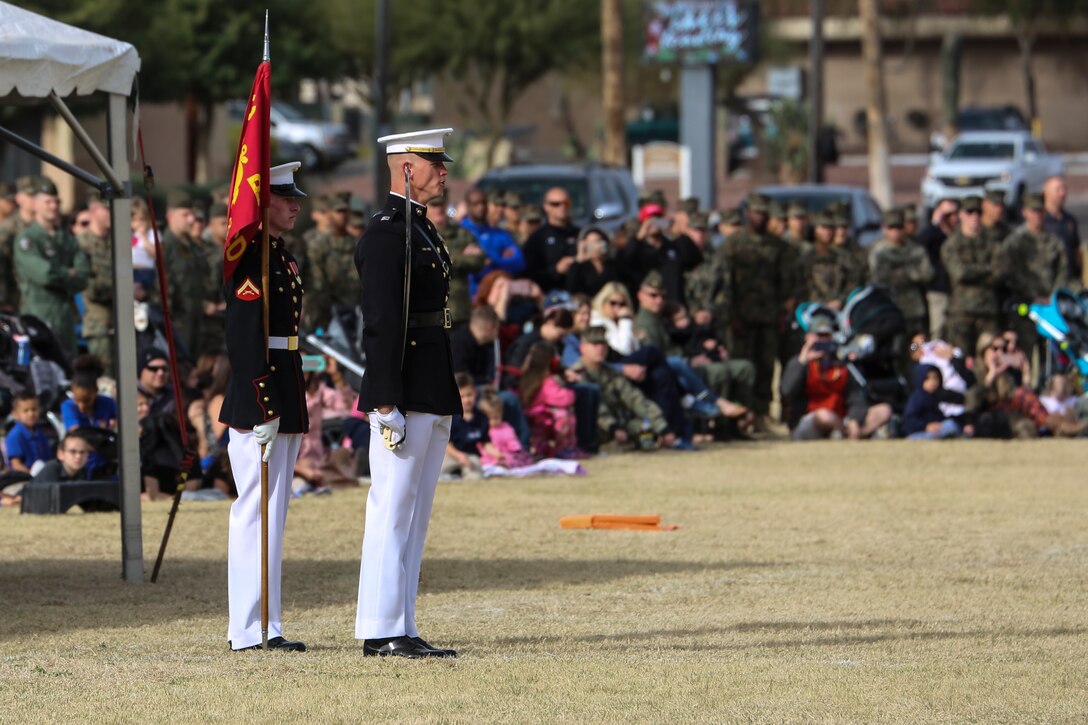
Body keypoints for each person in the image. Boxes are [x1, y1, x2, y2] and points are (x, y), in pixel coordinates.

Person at [353, 128, 462, 659]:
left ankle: (402, 622)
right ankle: (379, 628)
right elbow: (380, 322)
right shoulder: (385, 234)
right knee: (392, 508)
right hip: (403, 386)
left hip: (429, 379)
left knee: (414, 514)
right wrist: (383, 400)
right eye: (434, 163)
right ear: (405, 168)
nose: (444, 173)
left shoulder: (419, 230)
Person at [218, 161, 310, 653]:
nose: (295, 204)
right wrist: (263, 400)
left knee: (275, 510)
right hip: (262, 393)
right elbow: (243, 335)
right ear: (260, 201)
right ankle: (247, 627)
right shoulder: (249, 257)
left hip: (285, 384)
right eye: (283, 197)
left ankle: (268, 623)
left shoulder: (279, 253)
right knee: (254, 509)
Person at [714, 193, 791, 432]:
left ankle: (762, 414)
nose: (759, 217)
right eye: (755, 212)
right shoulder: (733, 244)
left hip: (768, 316)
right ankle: (740, 415)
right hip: (741, 317)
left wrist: (781, 313)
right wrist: (731, 315)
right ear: (748, 214)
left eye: (763, 213)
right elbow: (724, 284)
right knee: (742, 366)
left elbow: (784, 282)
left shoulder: (777, 246)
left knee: (766, 366)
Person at [780, 314, 892, 440]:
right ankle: (850, 433)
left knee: (884, 410)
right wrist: (802, 362)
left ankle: (852, 433)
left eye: (827, 336)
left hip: (841, 418)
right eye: (819, 336)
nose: (823, 340)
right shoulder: (800, 363)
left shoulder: (841, 363)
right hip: (811, 420)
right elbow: (787, 390)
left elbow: (855, 396)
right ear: (809, 337)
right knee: (824, 416)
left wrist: (855, 419)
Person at [13, 176, 90, 355]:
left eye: (56, 202)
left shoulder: (67, 239)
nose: (53, 206)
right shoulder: (28, 239)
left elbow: (83, 276)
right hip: (38, 315)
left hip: (65, 318)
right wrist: (68, 273)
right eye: (47, 202)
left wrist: (71, 274)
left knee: (69, 370)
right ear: (36, 204)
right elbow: (44, 275)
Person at [570, 326, 675, 450]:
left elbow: (634, 398)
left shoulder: (610, 371)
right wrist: (613, 427)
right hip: (596, 427)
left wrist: (662, 427)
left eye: (603, 344)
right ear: (583, 347)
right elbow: (597, 408)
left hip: (619, 424)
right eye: (595, 344)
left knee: (648, 429)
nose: (600, 349)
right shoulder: (577, 373)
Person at [940, 195, 999, 354]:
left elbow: (1000, 271)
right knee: (960, 359)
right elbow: (959, 273)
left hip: (988, 311)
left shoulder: (991, 242)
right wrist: (985, 269)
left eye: (978, 212)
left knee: (990, 359)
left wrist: (974, 270)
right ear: (961, 215)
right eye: (969, 212)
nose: (974, 217)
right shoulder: (952, 244)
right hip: (961, 312)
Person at [161, 189, 211, 360]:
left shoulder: (192, 247)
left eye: (192, 214)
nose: (191, 220)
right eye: (185, 214)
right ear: (170, 216)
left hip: (197, 321)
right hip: (177, 323)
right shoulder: (165, 246)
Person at [868, 208, 934, 336]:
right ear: (885, 229)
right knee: (895, 344)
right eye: (892, 228)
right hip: (889, 308)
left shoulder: (915, 249)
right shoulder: (879, 252)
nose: (896, 232)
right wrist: (908, 274)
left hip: (914, 309)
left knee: (917, 344)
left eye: (899, 227)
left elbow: (927, 274)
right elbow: (878, 277)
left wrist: (906, 273)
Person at [427, 195, 486, 329]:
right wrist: (459, 257)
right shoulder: (422, 233)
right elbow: (426, 262)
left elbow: (478, 260)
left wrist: (446, 259)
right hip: (432, 310)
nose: (439, 209)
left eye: (442, 205)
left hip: (459, 310)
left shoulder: (461, 234)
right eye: (434, 206)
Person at [307, 191, 361, 331]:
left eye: (345, 211)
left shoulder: (360, 244)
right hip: (330, 316)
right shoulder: (319, 245)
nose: (342, 216)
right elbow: (318, 286)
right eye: (338, 211)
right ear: (330, 214)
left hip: (358, 312)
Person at [76, 190, 115, 374]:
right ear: (93, 211)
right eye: (106, 208)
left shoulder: (116, 240)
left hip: (120, 321)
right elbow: (86, 285)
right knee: (104, 377)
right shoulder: (82, 243)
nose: (112, 212)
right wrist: (121, 290)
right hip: (98, 324)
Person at [460, 188, 525, 297]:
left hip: (499, 289)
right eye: (476, 204)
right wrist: (501, 260)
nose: (481, 207)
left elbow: (519, 263)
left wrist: (493, 262)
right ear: (467, 206)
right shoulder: (460, 233)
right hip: (471, 295)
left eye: (483, 203)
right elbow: (469, 270)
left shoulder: (500, 234)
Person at [519, 342, 579, 459]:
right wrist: (569, 390)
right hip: (542, 417)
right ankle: (564, 447)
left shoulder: (528, 377)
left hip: (533, 414)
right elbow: (563, 399)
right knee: (564, 414)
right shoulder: (547, 380)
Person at [60, 354, 117, 478]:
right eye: (77, 400)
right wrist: (104, 439)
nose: (81, 406)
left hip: (106, 467)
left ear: (96, 391)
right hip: (82, 468)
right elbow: (77, 435)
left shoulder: (108, 403)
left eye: (86, 400)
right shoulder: (68, 406)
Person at [522, 186, 579, 293]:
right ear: (546, 207)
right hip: (550, 293)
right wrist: (556, 270)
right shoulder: (538, 238)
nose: (562, 207)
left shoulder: (580, 234)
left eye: (566, 203)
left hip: (579, 294)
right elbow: (530, 273)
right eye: (555, 204)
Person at [918, 198, 960, 340]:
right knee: (937, 329)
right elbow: (921, 243)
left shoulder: (959, 235)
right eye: (948, 215)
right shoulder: (933, 235)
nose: (953, 218)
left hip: (958, 291)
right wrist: (935, 224)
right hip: (938, 290)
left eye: (955, 214)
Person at [0, 175, 40, 311]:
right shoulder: (8, 228)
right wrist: (4, 299)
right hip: (14, 299)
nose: (34, 200)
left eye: (36, 195)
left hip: (38, 299)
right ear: (19, 198)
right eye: (30, 196)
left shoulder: (42, 226)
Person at [902, 365, 964, 439]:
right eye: (927, 378)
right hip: (917, 435)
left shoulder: (933, 397)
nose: (932, 382)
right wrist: (926, 426)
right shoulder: (917, 397)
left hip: (930, 432)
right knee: (951, 426)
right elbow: (909, 419)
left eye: (935, 378)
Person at [1042, 176, 1082, 284]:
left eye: (1064, 189)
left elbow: (1077, 251)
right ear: (1046, 192)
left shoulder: (1069, 220)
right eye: (1058, 190)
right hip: (1048, 283)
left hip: (1070, 281)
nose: (1062, 193)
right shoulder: (1040, 220)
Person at [5, 391, 53, 475]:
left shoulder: (40, 433)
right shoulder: (15, 435)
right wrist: (31, 475)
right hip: (23, 477)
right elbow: (16, 465)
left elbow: (48, 458)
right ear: (15, 414)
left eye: (34, 409)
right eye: (26, 411)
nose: (31, 414)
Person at [566, 226, 620, 298]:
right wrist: (579, 259)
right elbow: (571, 289)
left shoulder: (613, 265)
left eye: (599, 241)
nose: (597, 245)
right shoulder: (580, 267)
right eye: (591, 242)